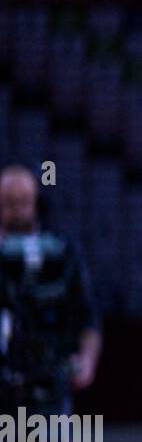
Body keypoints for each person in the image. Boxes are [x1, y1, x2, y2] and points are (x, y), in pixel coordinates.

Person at [0, 164, 101, 423]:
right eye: (9, 203)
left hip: (50, 385)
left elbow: (88, 316)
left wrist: (86, 360)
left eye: (24, 202)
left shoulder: (62, 253)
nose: (17, 211)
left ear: (35, 202)